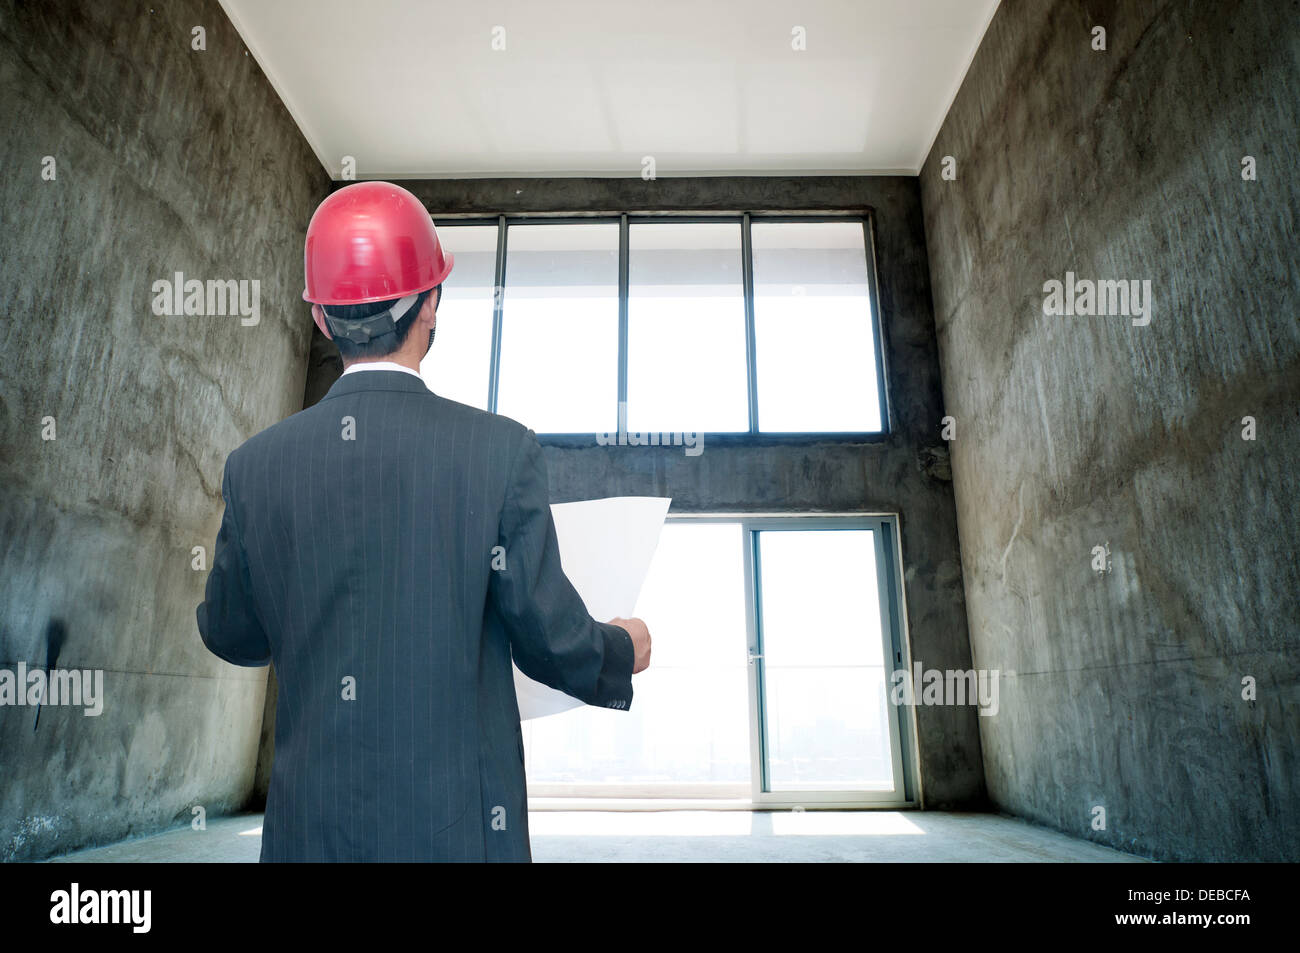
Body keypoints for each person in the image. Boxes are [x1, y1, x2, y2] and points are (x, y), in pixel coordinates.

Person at [196, 181, 652, 862]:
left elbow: (232, 633)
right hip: (460, 835)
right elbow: (547, 639)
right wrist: (620, 648)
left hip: (309, 836)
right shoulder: (500, 452)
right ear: (431, 302)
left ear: (321, 318)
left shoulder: (255, 468)